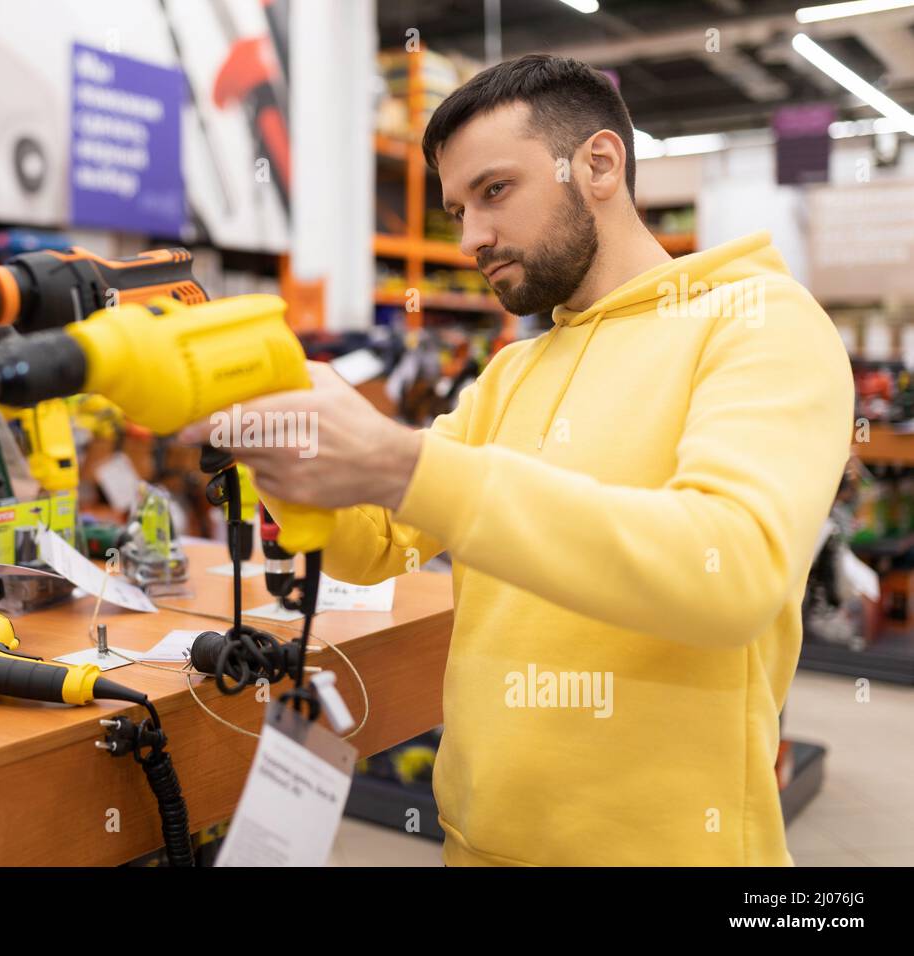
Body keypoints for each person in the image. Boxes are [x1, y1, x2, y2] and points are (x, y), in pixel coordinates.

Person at [180, 54, 853, 866]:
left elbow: (731, 571)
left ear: (599, 164)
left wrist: (397, 462)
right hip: (478, 843)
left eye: (494, 191)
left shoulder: (757, 323)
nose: (471, 238)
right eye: (458, 208)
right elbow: (377, 542)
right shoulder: (513, 372)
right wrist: (280, 444)